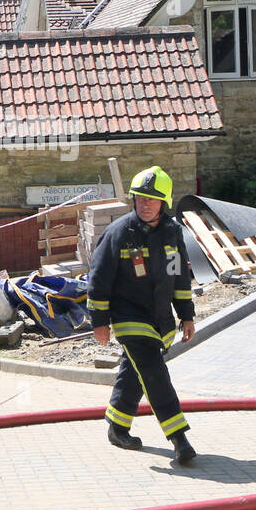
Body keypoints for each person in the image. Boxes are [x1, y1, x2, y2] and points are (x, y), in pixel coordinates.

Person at [87, 166, 198, 465]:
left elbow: (178, 276)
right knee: (153, 373)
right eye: (139, 198)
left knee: (136, 371)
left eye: (151, 199)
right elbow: (98, 279)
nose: (144, 204)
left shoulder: (173, 233)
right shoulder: (119, 232)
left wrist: (186, 315)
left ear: (164, 202)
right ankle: (179, 438)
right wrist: (99, 322)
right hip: (128, 315)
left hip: (159, 318)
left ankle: (118, 426)